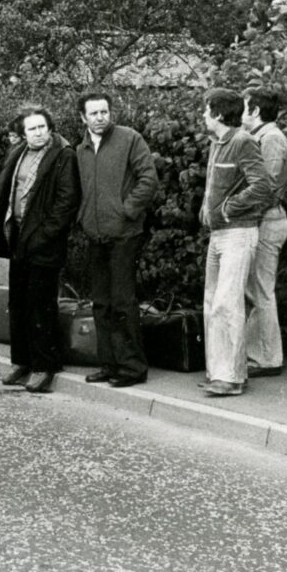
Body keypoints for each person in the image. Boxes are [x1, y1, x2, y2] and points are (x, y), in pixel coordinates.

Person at [0, 108, 79, 394]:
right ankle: (22, 361)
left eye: (42, 127)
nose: (39, 133)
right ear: (24, 133)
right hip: (17, 235)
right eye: (32, 129)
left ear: (50, 128)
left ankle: (44, 366)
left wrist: (44, 235)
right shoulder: (19, 153)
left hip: (43, 241)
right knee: (18, 301)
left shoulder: (63, 155)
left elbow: (66, 201)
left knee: (40, 304)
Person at [74, 92, 160, 388]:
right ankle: (109, 364)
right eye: (94, 113)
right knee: (101, 303)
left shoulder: (129, 139)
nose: (100, 118)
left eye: (104, 112)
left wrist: (127, 211)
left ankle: (132, 367)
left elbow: (148, 179)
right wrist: (84, 218)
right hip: (95, 234)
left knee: (123, 301)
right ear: (83, 118)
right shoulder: (81, 150)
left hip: (124, 234)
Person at [197, 88, 274, 398]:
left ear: (218, 114)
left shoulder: (243, 141)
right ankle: (219, 372)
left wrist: (228, 208)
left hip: (238, 233)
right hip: (218, 234)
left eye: (206, 110)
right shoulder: (217, 142)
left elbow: (262, 187)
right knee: (212, 303)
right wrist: (208, 208)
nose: (203, 115)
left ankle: (231, 377)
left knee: (228, 304)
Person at [241, 87, 287, 379]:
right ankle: (260, 354)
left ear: (256, 111)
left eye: (244, 106)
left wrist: (245, 216)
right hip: (264, 219)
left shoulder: (271, 139)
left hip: (267, 221)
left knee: (260, 289)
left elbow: (268, 188)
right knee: (256, 288)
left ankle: (267, 357)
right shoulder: (262, 136)